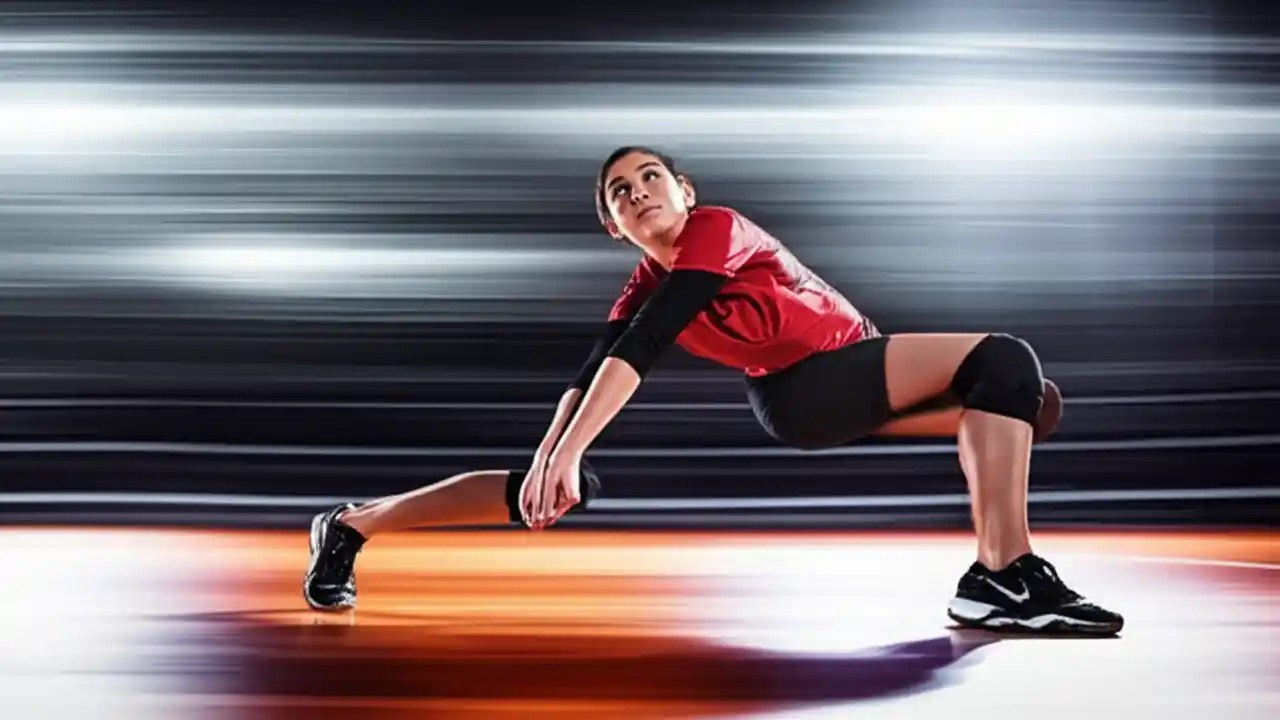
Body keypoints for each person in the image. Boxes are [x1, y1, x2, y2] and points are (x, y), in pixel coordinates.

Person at [303, 145, 1123, 636]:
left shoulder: (717, 228)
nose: (638, 193)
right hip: (808, 393)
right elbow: (607, 364)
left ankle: (347, 523)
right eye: (619, 194)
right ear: (613, 227)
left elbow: (646, 344)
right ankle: (1002, 577)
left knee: (1026, 390)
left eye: (650, 176)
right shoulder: (640, 294)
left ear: (685, 191)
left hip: (845, 379)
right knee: (1007, 360)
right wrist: (552, 460)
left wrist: (565, 459)